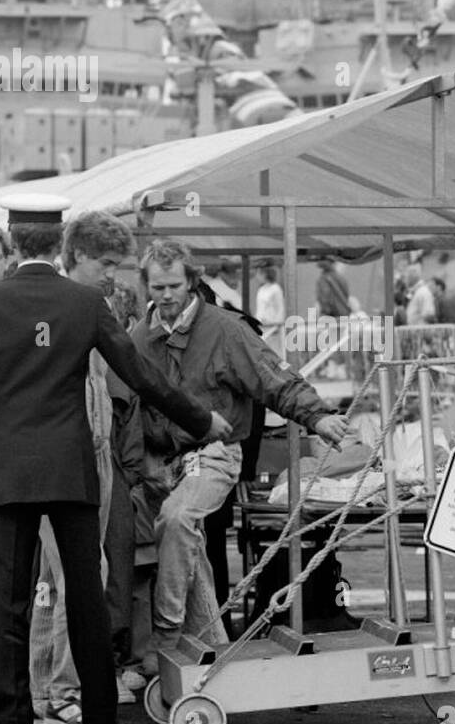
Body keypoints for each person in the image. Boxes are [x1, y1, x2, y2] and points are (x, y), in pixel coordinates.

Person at [0, 194, 228, 724]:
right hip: (72, 468)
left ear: (10, 242)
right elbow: (142, 375)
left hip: (8, 472)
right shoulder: (84, 302)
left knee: (9, 605)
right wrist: (202, 420)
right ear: (62, 243)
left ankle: (14, 718)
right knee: (87, 597)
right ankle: (99, 716)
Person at [131, 239, 352, 659]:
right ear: (147, 287)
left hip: (214, 454)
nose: (166, 295)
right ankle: (215, 648)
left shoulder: (227, 328)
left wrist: (318, 417)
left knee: (178, 521)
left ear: (193, 282)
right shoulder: (140, 337)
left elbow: (274, 378)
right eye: (158, 287)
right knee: (187, 550)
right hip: (158, 463)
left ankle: (164, 640)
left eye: (174, 285)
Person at [28, 210, 137, 724]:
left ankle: (49, 688)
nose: (113, 273)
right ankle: (66, 690)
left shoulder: (93, 302)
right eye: (106, 263)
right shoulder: (48, 305)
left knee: (56, 581)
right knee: (82, 574)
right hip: (61, 460)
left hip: (94, 454)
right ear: (76, 256)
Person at [252, 265, 285, 338]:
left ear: (264, 274)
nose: (256, 276)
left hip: (272, 327)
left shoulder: (276, 288)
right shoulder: (261, 289)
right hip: (261, 326)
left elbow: (280, 308)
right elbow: (259, 308)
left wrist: (277, 325)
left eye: (258, 273)